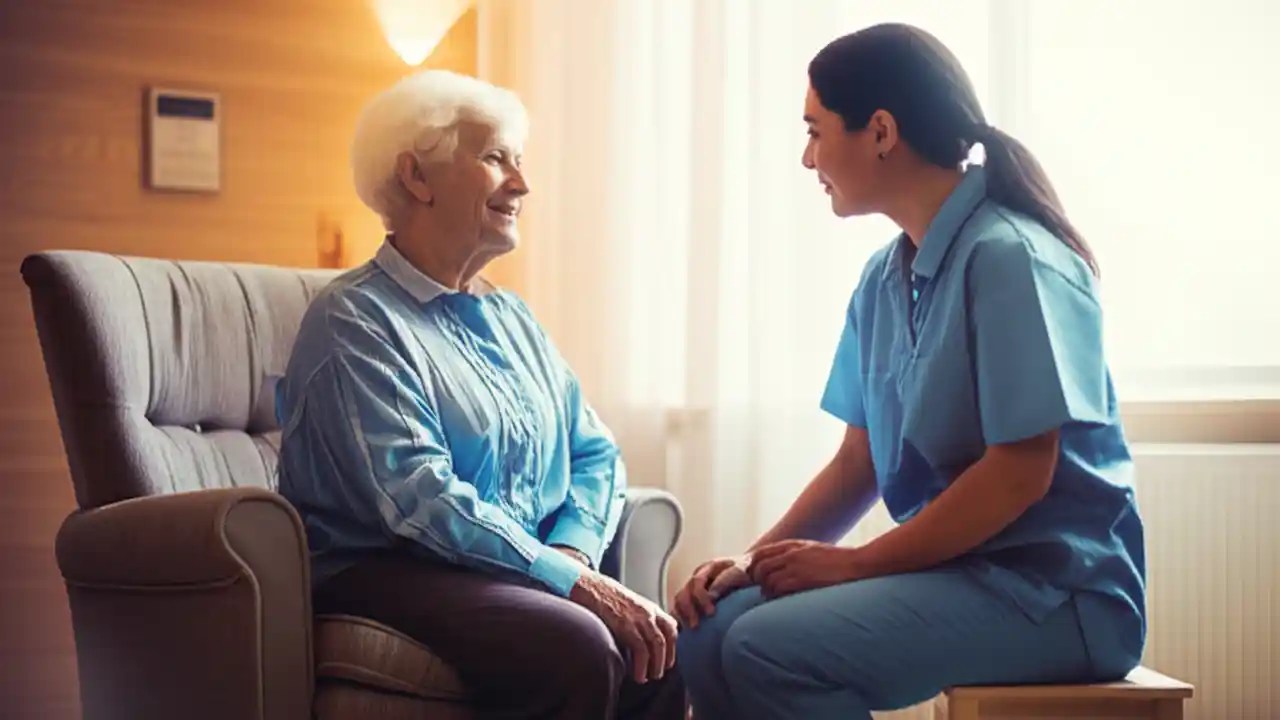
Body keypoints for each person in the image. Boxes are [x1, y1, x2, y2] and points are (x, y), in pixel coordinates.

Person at [673, 23, 1145, 720]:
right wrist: (752, 558)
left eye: (815, 129)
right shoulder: (882, 280)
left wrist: (857, 564)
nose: (808, 158)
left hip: (1060, 596)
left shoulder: (1013, 257)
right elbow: (857, 463)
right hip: (961, 574)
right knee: (710, 629)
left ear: (882, 132)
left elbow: (1021, 472)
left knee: (767, 646)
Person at [276, 69, 685, 720]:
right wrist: (564, 580)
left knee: (659, 650)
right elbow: (418, 497)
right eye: (496, 159)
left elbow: (595, 453)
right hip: (386, 569)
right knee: (578, 645)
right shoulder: (354, 321)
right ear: (416, 177)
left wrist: (573, 555)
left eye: (519, 162)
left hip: (504, 566)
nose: (522, 184)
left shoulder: (511, 318)